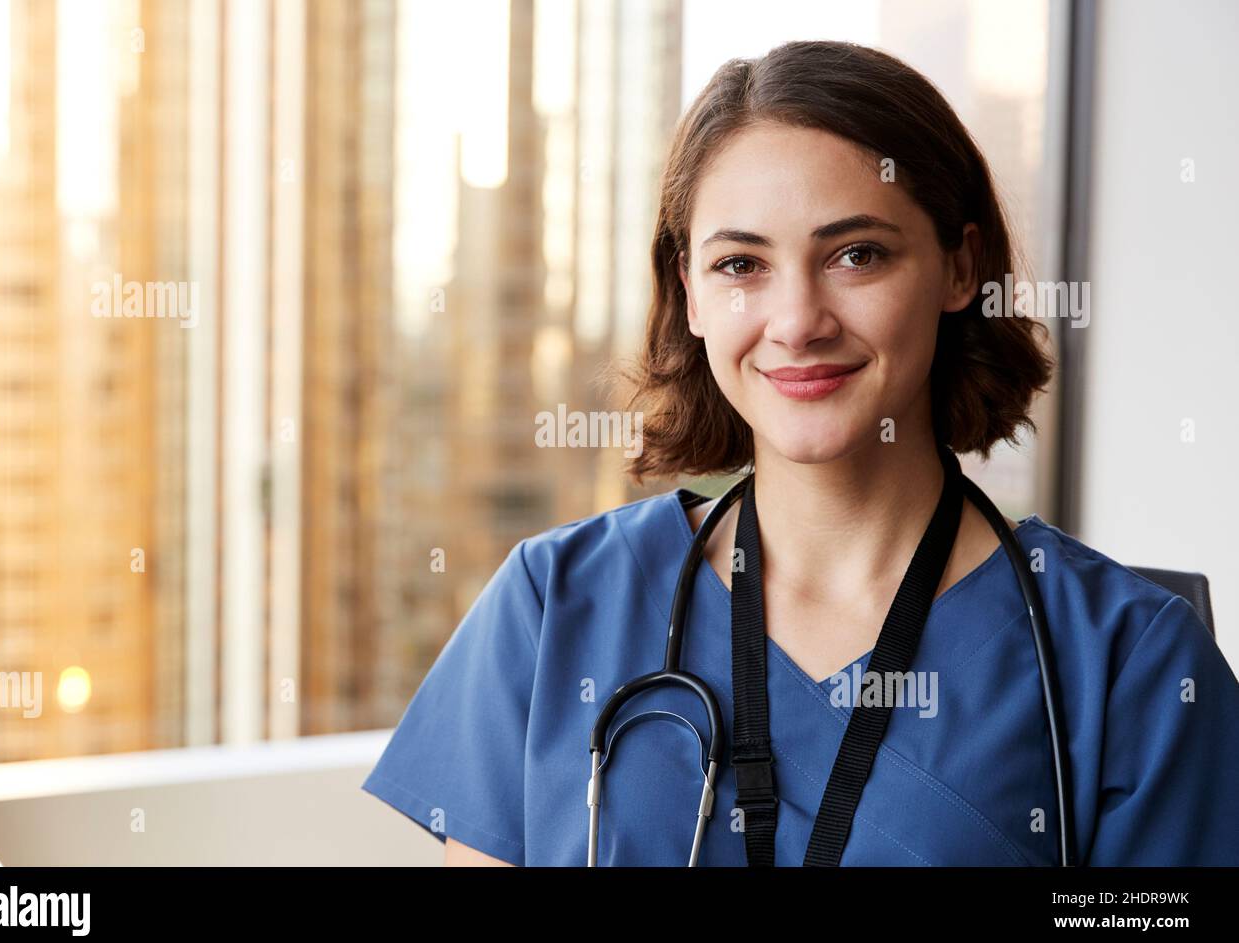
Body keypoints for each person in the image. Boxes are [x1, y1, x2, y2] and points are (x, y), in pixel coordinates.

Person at [360, 39, 1239, 866]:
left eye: (857, 255)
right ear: (690, 295)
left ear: (961, 268)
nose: (798, 323)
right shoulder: (553, 608)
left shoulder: (1132, 664)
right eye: (742, 265)